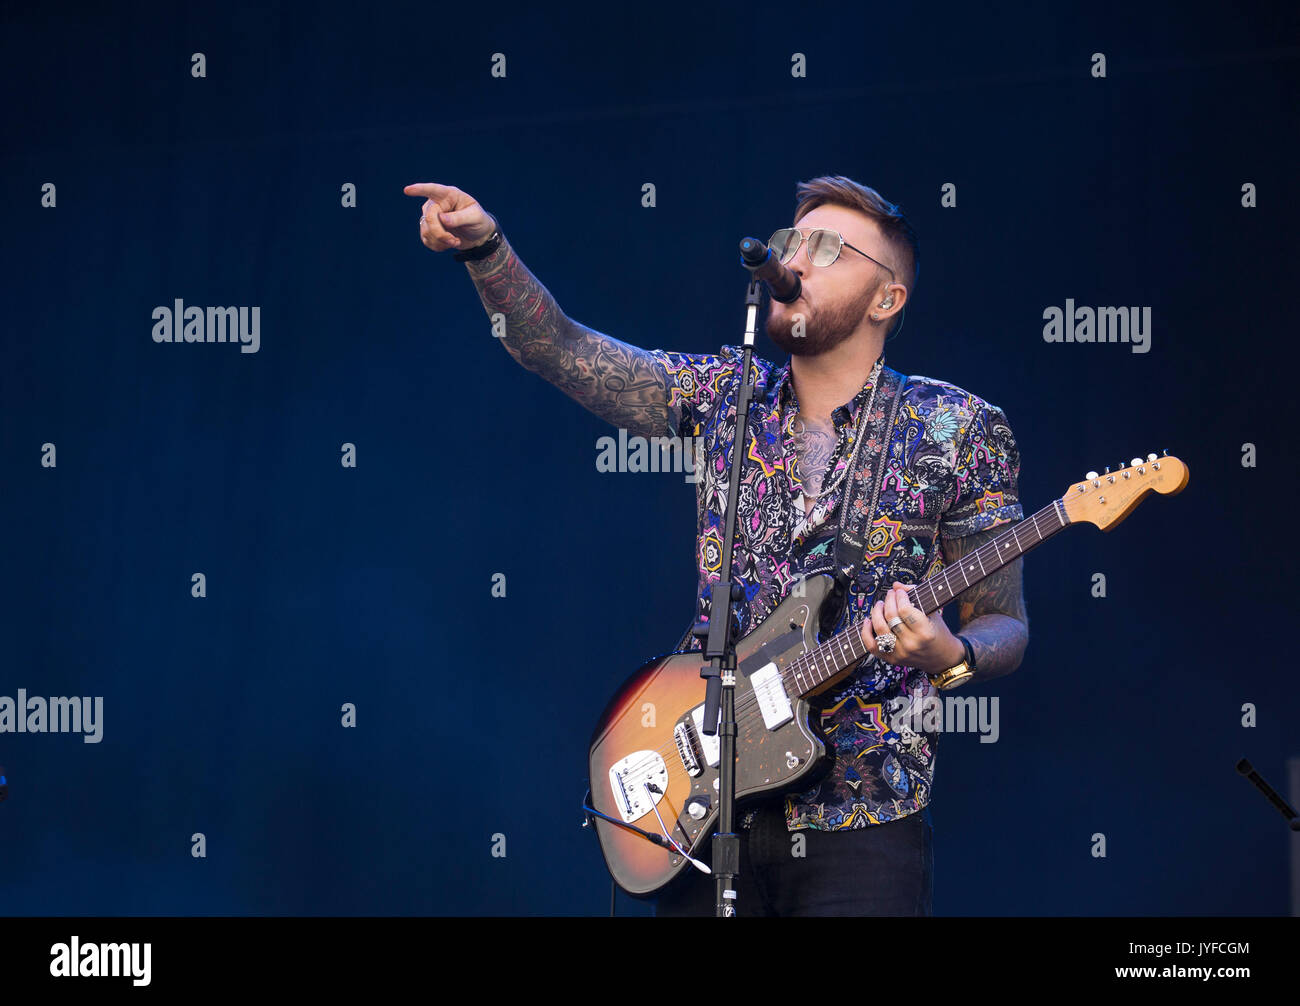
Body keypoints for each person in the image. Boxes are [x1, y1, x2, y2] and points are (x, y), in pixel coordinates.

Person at [405, 174, 1029, 916]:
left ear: (886, 298)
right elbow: (563, 350)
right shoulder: (727, 397)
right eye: (792, 240)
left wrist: (947, 656)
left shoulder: (958, 427)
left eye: (827, 248)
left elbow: (1006, 622)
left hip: (863, 816)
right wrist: (486, 250)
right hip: (707, 803)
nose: (794, 257)